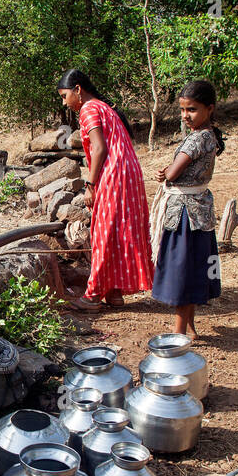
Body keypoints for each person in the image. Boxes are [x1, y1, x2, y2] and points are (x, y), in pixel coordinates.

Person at [57, 69, 154, 310]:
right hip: (129, 174)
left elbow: (99, 148)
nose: (64, 101)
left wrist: (90, 185)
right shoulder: (105, 107)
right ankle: (114, 293)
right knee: (117, 231)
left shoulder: (88, 109)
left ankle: (92, 296)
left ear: (77, 90)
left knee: (104, 234)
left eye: (64, 95)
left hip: (113, 175)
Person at [151, 79, 224, 340]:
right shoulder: (208, 135)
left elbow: (174, 171)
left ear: (209, 109)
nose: (185, 116)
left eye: (191, 110)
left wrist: (166, 174)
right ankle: (190, 327)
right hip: (198, 213)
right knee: (193, 268)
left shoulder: (199, 138)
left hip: (186, 215)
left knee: (183, 271)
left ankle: (178, 333)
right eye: (182, 110)